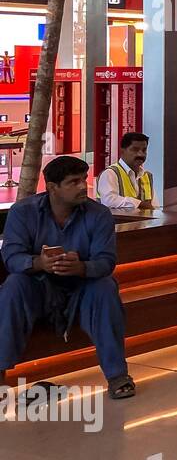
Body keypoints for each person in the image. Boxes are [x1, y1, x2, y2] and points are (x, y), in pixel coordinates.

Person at [0, 156, 135, 398]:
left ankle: (117, 375)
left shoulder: (99, 214)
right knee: (14, 285)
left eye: (83, 179)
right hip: (38, 286)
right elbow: (11, 256)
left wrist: (81, 267)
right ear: (52, 187)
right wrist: (39, 263)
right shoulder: (23, 212)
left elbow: (106, 261)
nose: (83, 186)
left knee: (105, 287)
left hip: (83, 288)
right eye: (74, 182)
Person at [96, 132, 155, 211]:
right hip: (116, 223)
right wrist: (139, 204)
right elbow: (109, 201)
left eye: (144, 150)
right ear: (122, 151)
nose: (141, 154)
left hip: (143, 223)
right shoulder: (111, 173)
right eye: (135, 149)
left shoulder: (147, 175)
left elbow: (154, 206)